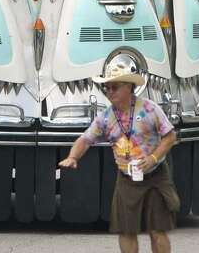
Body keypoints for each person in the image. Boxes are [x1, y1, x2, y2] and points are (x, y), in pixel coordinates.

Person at [59, 58, 179, 253]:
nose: (109, 92)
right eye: (107, 88)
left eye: (114, 87)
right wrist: (73, 157)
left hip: (155, 176)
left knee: (157, 230)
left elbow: (170, 136)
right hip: (127, 179)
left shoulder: (149, 109)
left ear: (129, 87)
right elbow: (85, 139)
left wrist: (153, 158)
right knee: (125, 230)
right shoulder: (105, 118)